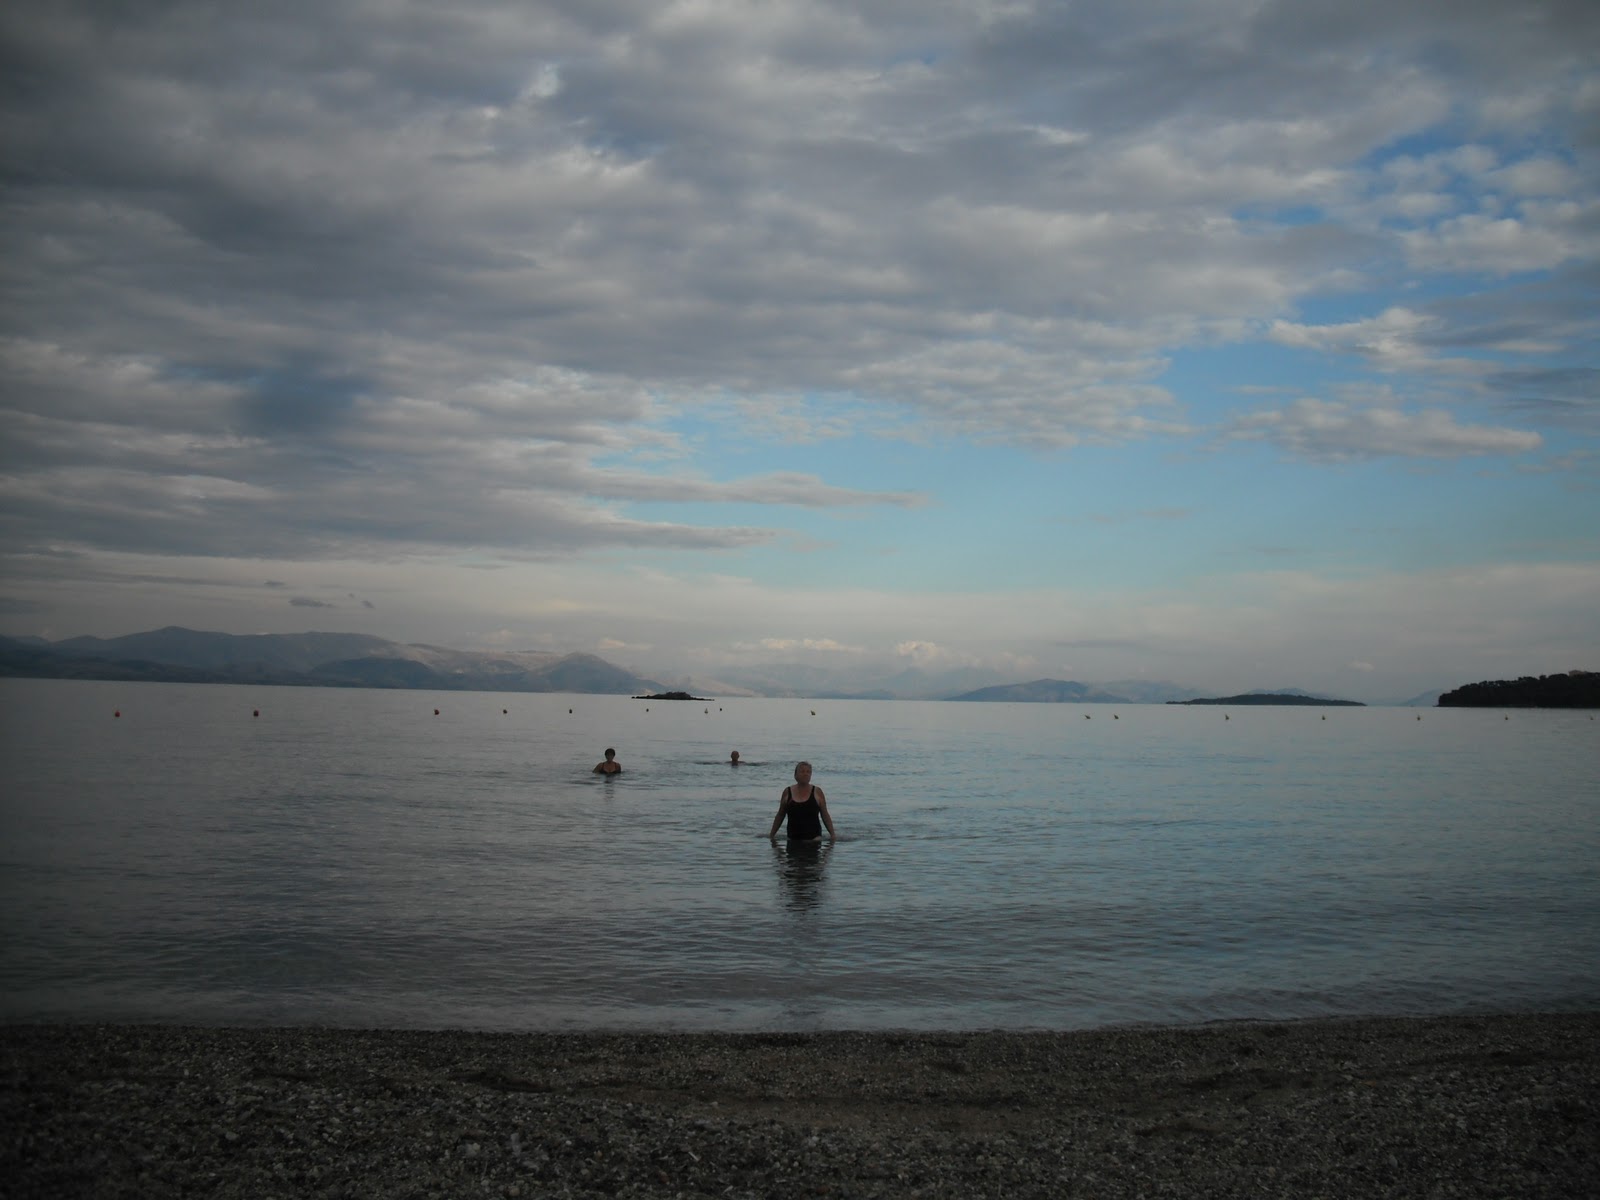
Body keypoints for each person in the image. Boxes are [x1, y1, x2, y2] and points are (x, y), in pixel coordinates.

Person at [768, 761, 836, 842]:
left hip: (814, 839)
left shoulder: (817, 792)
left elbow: (825, 815)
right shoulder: (787, 792)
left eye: (808, 772)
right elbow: (780, 815)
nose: (805, 774)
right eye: (802, 771)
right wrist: (772, 835)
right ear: (795, 775)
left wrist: (832, 835)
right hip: (792, 839)